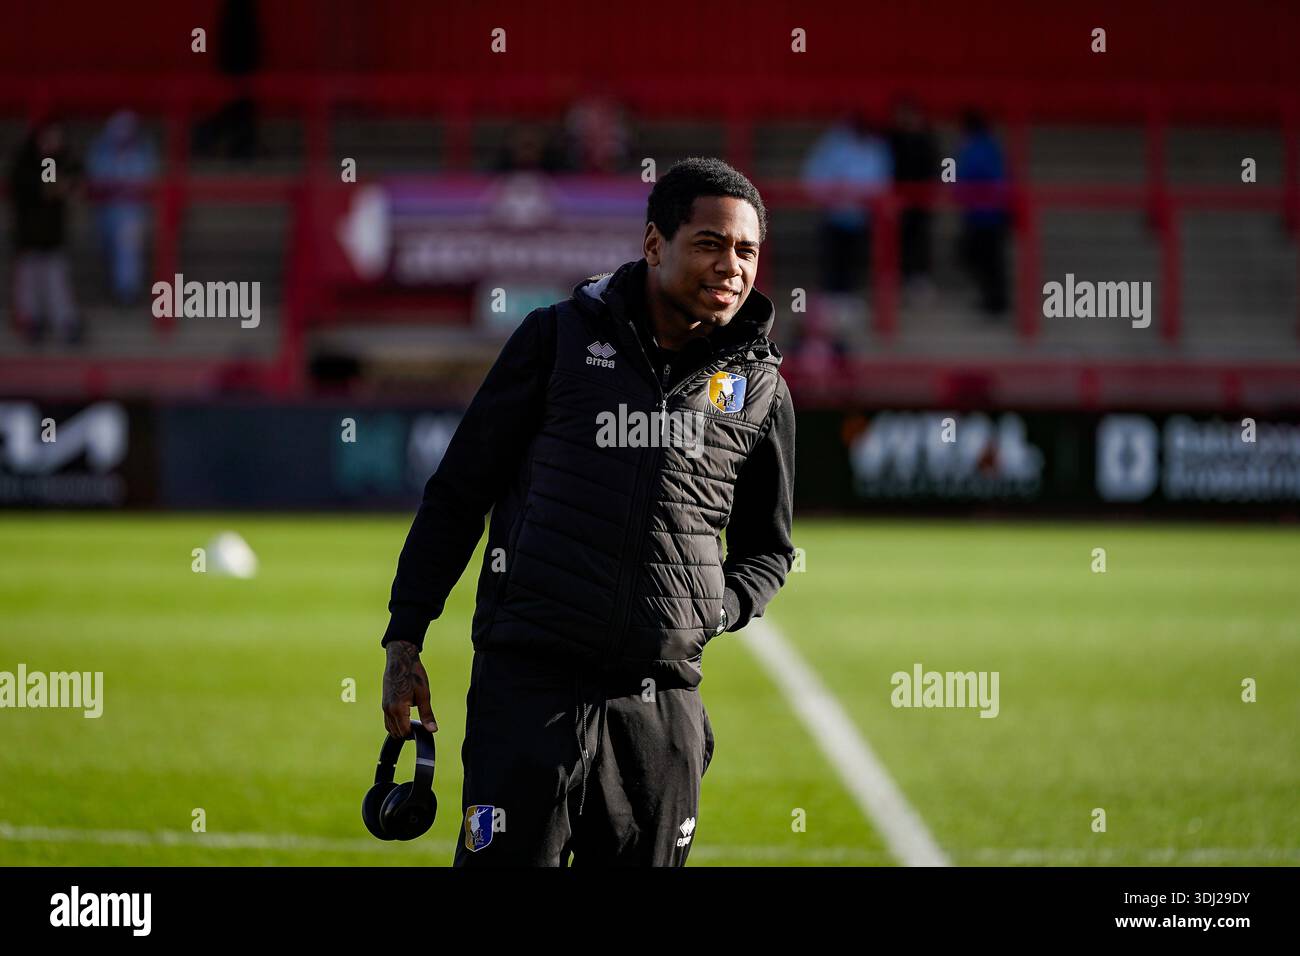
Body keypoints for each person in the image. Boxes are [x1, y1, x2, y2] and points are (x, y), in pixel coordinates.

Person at [379, 157, 797, 866]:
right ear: (655, 244)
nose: (732, 265)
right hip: (529, 690)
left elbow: (769, 550)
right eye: (710, 243)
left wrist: (713, 609)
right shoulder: (557, 340)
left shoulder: (761, 390)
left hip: (660, 707)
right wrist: (404, 635)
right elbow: (458, 494)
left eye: (747, 250)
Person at [800, 110, 892, 293]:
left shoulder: (877, 147)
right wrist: (831, 193)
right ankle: (833, 298)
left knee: (858, 262)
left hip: (863, 216)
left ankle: (855, 298)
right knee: (834, 260)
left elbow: (883, 180)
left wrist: (863, 196)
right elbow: (813, 174)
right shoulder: (833, 143)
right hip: (835, 214)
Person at [8, 119, 81, 345]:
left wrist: (65, 185)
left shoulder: (62, 159)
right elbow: (49, 188)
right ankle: (32, 324)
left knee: (57, 283)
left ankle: (65, 326)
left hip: (53, 238)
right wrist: (59, 186)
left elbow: (76, 184)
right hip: (29, 238)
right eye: (50, 138)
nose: (54, 143)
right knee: (29, 285)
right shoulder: (28, 161)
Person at [86, 111, 158, 305]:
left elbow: (147, 179)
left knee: (128, 245)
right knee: (109, 250)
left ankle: (127, 291)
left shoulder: (142, 151)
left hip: (131, 212)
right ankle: (116, 286)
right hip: (107, 211)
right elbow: (95, 177)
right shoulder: (101, 150)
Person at [955, 109, 1010, 316]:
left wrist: (956, 190)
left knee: (984, 258)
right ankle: (995, 299)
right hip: (994, 211)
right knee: (992, 259)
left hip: (982, 213)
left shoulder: (974, 149)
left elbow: (963, 176)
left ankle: (994, 301)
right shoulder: (993, 146)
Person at [887, 97, 940, 295]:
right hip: (897, 198)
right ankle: (898, 277)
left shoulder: (927, 137)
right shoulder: (891, 138)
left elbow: (937, 166)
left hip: (921, 198)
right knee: (898, 239)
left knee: (920, 238)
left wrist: (933, 189)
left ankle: (920, 279)